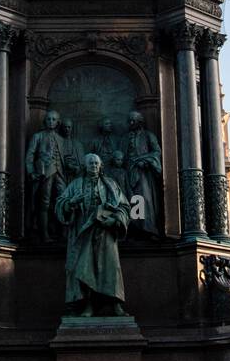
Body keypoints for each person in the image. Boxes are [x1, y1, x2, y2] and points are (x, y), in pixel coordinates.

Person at [55, 153, 129, 316]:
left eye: (96, 163)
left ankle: (115, 304)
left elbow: (124, 206)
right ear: (84, 166)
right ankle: (88, 305)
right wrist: (71, 203)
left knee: (111, 268)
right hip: (83, 231)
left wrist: (115, 220)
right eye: (90, 164)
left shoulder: (110, 184)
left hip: (105, 231)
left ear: (101, 166)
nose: (94, 166)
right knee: (84, 269)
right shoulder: (75, 185)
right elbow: (60, 204)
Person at [25, 110, 68, 243]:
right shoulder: (38, 136)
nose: (51, 122)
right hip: (44, 174)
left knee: (63, 201)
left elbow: (64, 157)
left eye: (53, 120)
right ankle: (44, 235)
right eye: (48, 119)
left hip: (60, 173)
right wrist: (31, 171)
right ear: (45, 121)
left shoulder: (61, 140)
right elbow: (30, 155)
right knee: (44, 203)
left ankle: (63, 233)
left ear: (58, 122)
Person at [124, 110, 162, 238]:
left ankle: (148, 228)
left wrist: (145, 161)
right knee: (133, 199)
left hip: (144, 173)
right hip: (130, 171)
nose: (131, 123)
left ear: (140, 122)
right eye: (129, 120)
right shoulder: (127, 137)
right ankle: (136, 228)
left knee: (144, 198)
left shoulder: (148, 135)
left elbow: (157, 151)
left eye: (133, 120)